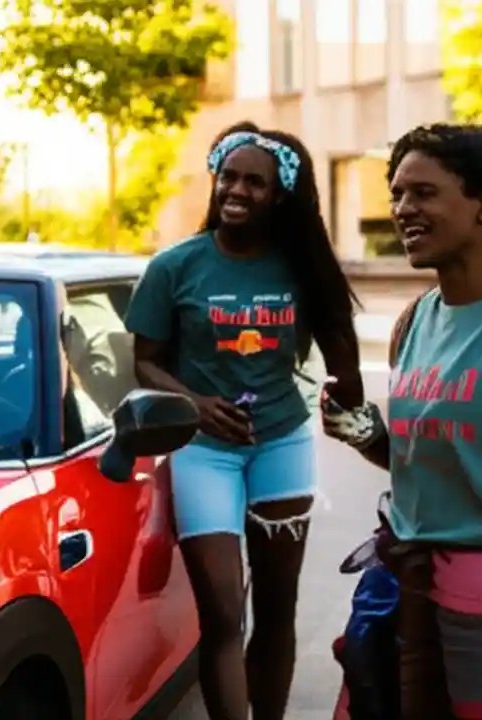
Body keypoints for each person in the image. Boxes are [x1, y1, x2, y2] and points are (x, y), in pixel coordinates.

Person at [124, 121, 366, 720]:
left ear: (279, 194)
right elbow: (145, 363)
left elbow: (342, 355)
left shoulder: (301, 268)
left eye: (254, 182)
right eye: (228, 176)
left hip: (280, 443)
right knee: (224, 612)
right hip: (202, 449)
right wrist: (196, 404)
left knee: (278, 608)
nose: (236, 190)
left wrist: (347, 400)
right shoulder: (176, 266)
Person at [324, 122, 482, 719]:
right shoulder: (416, 320)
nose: (402, 209)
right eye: (397, 194)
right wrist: (366, 432)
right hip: (407, 580)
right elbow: (419, 463)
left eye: (423, 193)